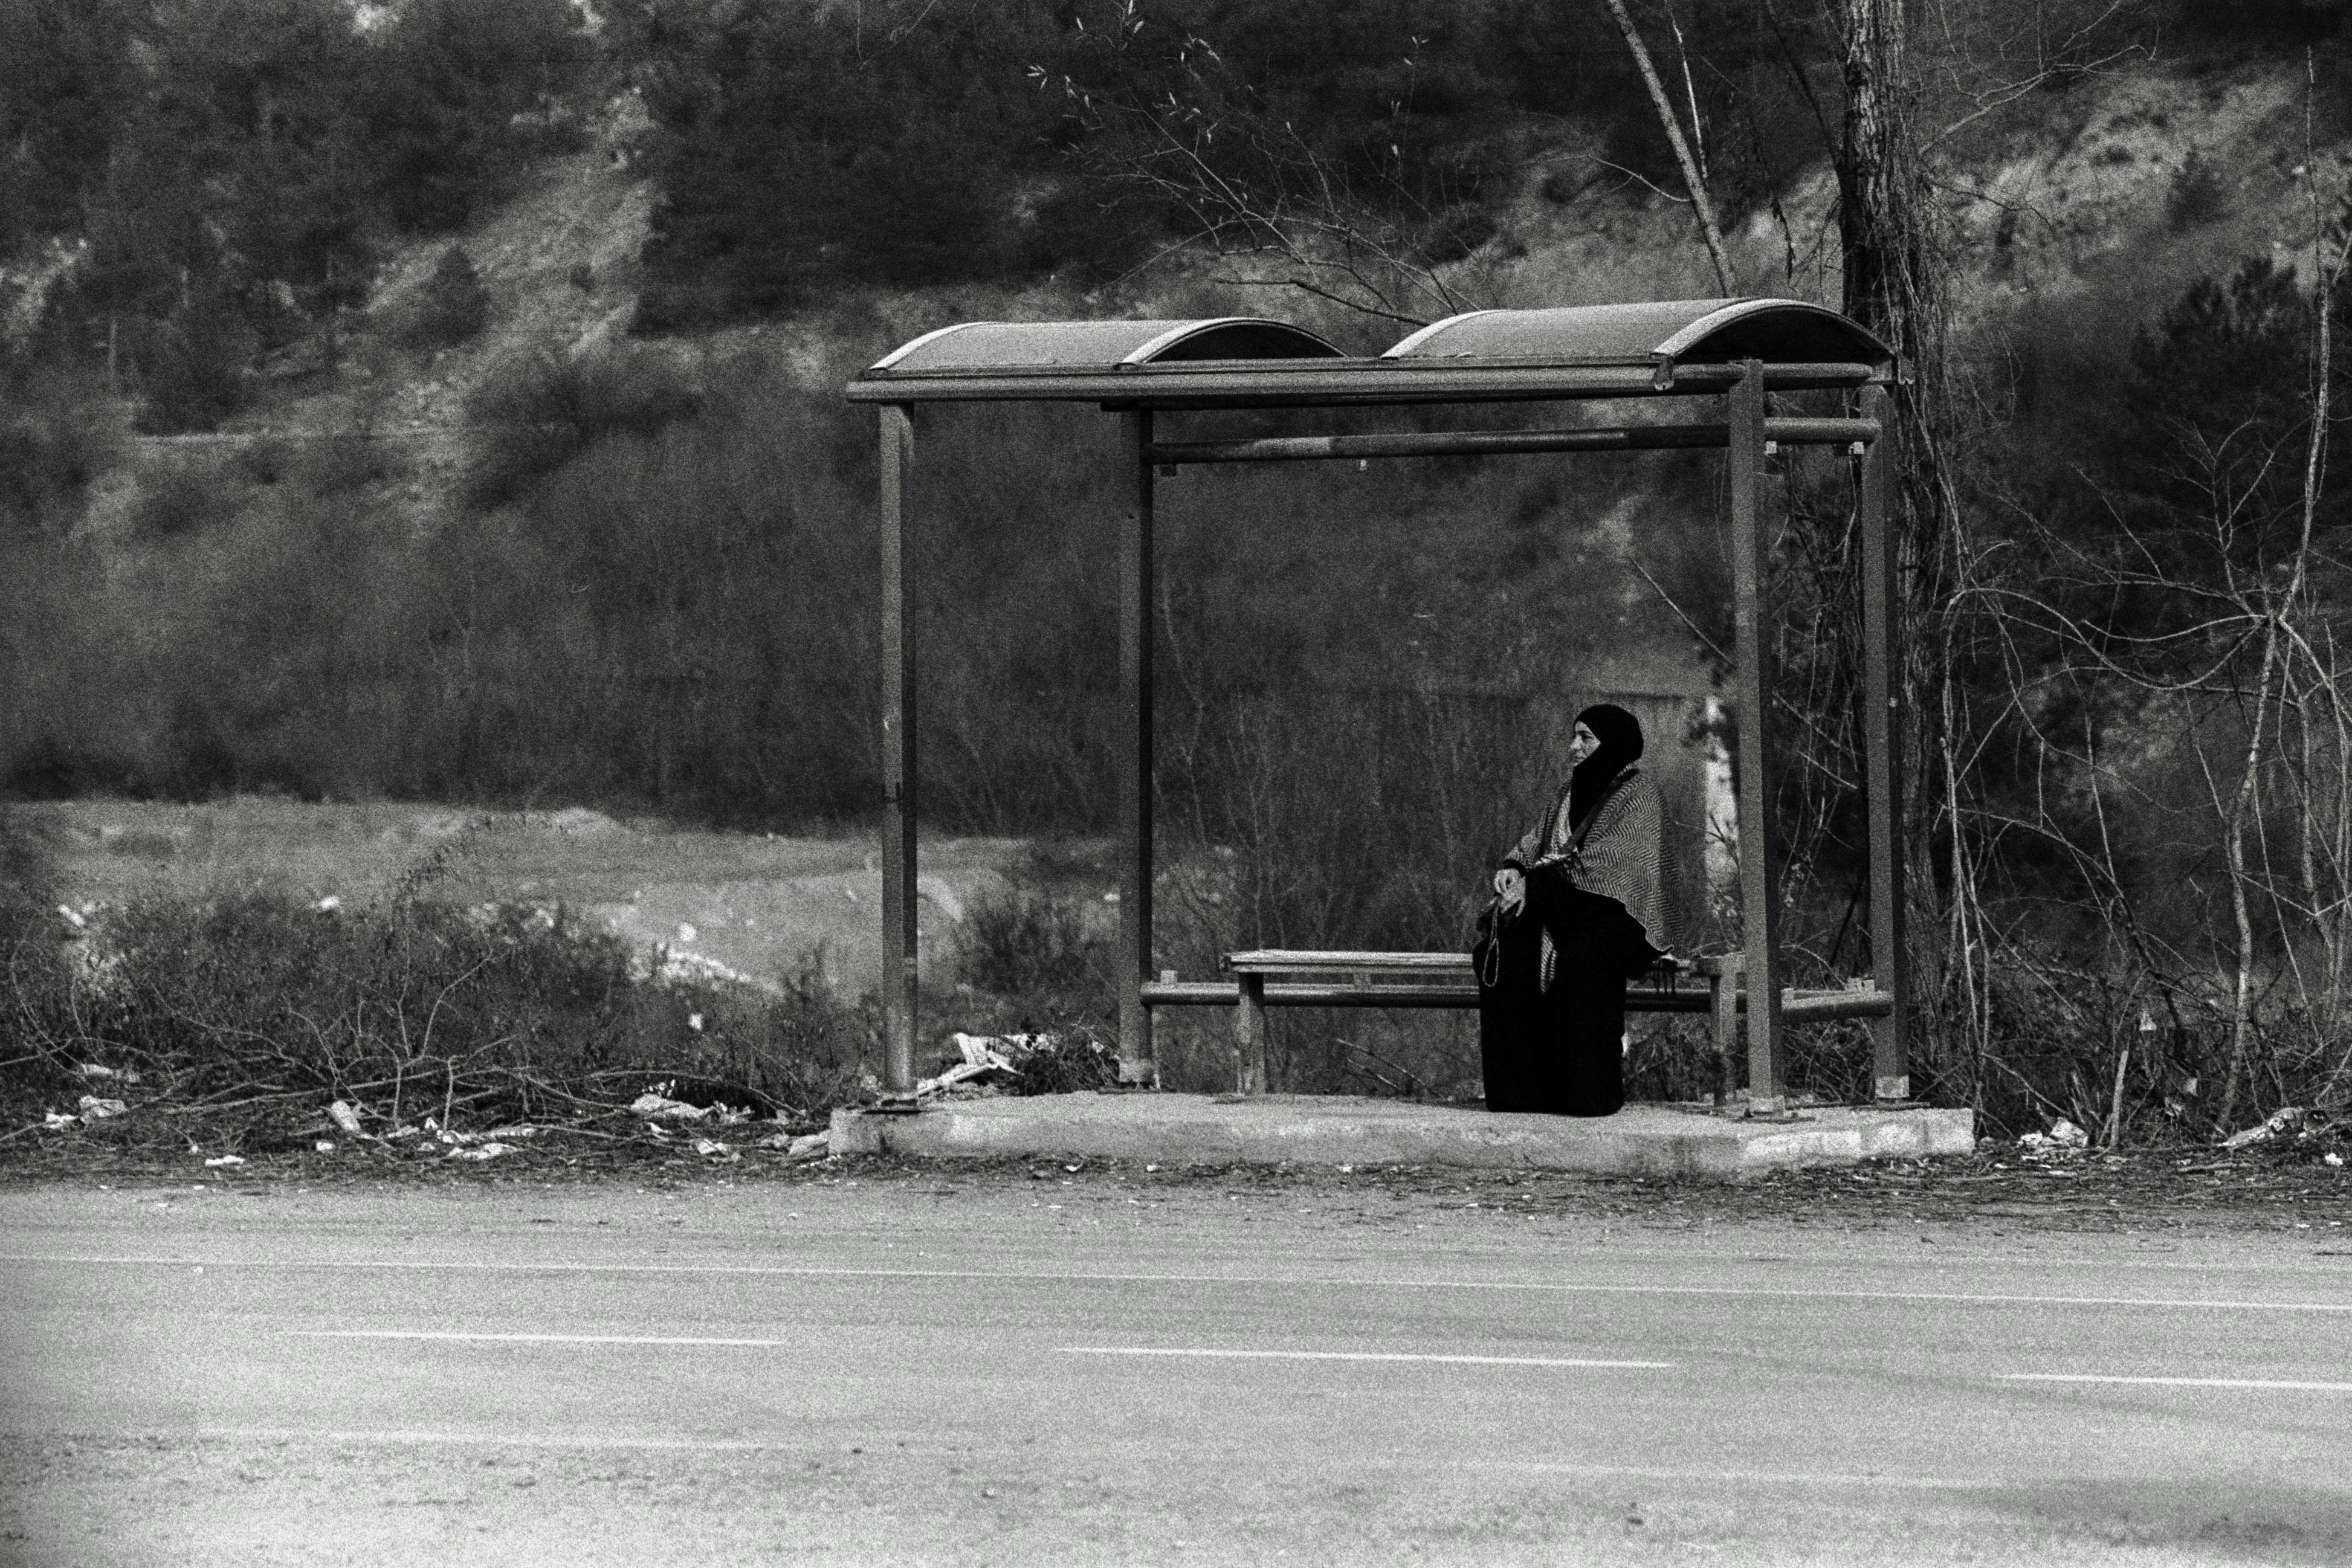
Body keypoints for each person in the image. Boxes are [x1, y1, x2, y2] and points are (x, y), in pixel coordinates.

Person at [1475, 703, 1686, 1116]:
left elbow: (1613, 871)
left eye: (1585, 738)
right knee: (1503, 954)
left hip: (1619, 915)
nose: (1574, 747)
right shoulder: (1568, 793)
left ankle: (1589, 1095)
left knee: (1584, 959)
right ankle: (1520, 1095)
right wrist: (1513, 869)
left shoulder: (1640, 794)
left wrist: (1533, 886)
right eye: (1574, 736)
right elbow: (1537, 843)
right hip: (1562, 905)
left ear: (1612, 744)